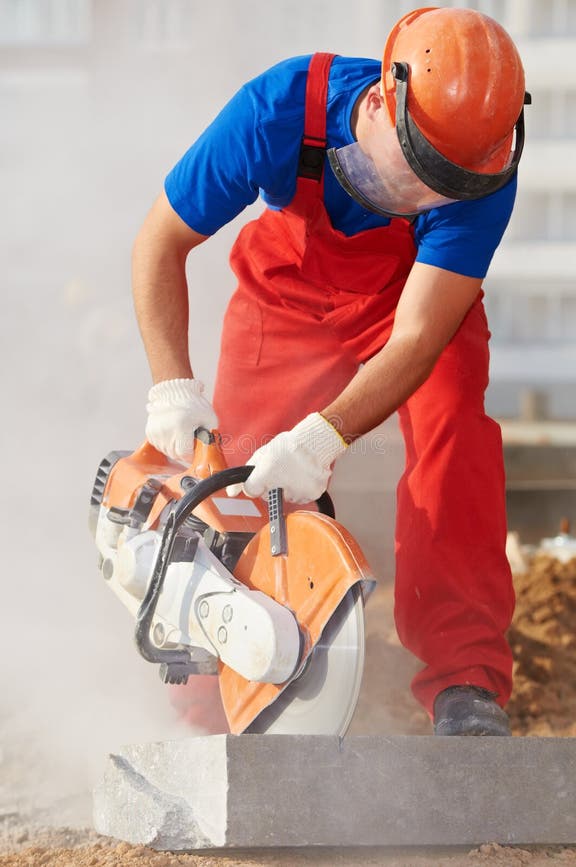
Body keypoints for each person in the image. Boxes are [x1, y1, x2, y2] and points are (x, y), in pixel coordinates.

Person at [132, 7, 529, 736]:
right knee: (236, 486)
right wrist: (171, 386)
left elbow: (415, 339)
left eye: (449, 185)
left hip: (411, 303)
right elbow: (160, 243)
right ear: (382, 99)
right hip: (285, 297)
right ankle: (210, 698)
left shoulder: (483, 166)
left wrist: (323, 437)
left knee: (455, 444)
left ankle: (464, 681)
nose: (430, 198)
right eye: (421, 171)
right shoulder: (281, 108)